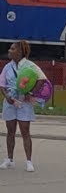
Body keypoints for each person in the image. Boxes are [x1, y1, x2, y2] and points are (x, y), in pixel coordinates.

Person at [1, 41, 46, 172]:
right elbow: (2, 85)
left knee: (25, 131)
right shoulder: (7, 67)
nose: (9, 50)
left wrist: (31, 93)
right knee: (10, 131)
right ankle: (9, 160)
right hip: (10, 102)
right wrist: (7, 97)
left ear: (20, 52)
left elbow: (42, 79)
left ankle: (29, 161)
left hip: (24, 103)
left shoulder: (30, 66)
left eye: (12, 49)